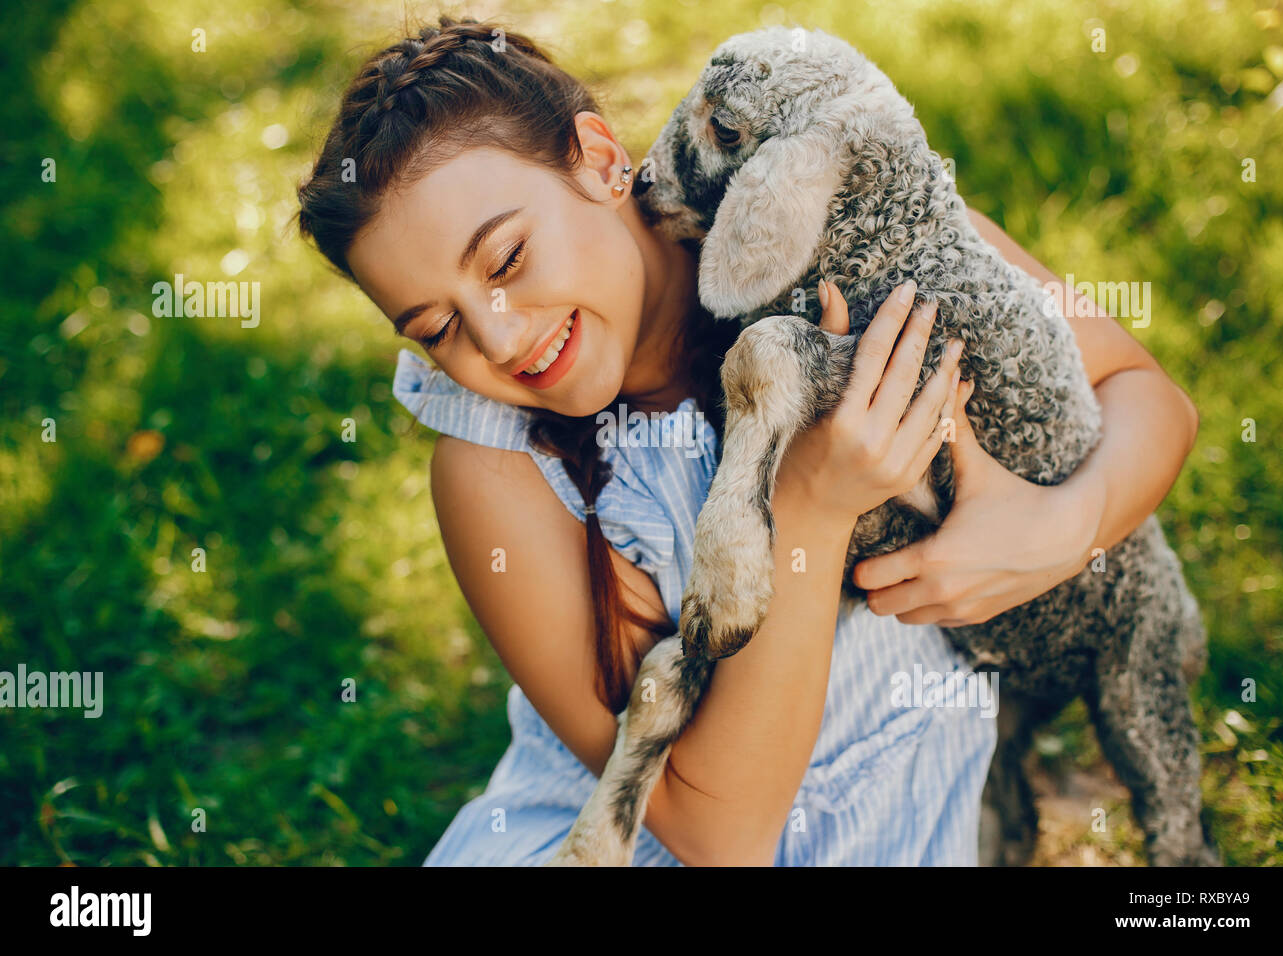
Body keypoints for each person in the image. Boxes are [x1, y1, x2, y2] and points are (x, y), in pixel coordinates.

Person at [296, 17, 1200, 866]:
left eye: (506, 262)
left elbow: (1144, 392)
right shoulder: (494, 470)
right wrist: (807, 507)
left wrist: (1061, 526)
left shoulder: (840, 226)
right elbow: (717, 836)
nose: (497, 341)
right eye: (436, 329)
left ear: (601, 160)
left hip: (903, 813)